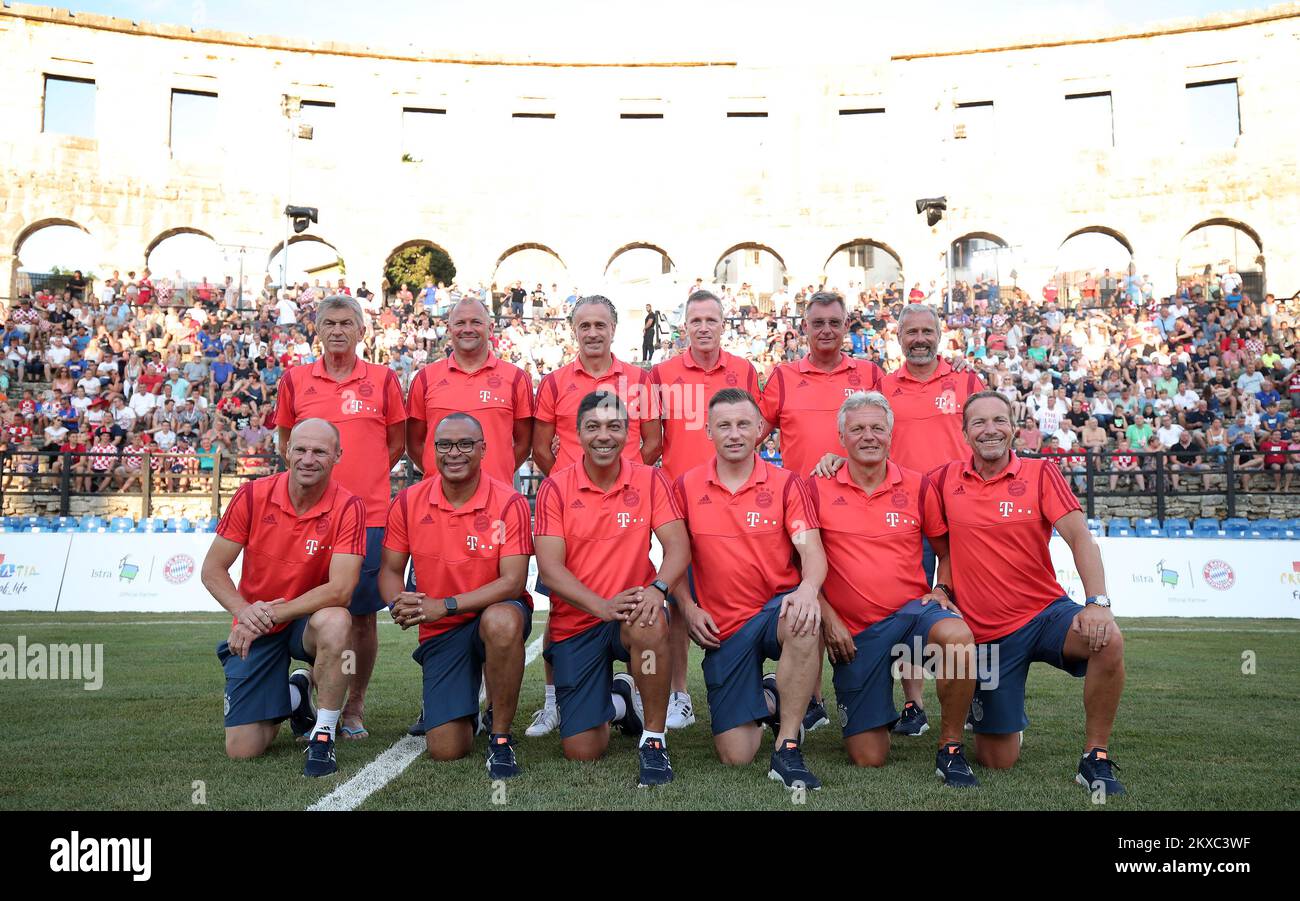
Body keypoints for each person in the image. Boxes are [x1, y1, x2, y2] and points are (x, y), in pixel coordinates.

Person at [925, 392, 1127, 797]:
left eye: (999, 420)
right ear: (964, 432)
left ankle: (1095, 758)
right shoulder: (942, 480)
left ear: (1014, 428)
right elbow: (945, 549)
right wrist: (942, 587)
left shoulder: (1041, 472)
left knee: (1107, 639)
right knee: (998, 759)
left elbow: (1080, 539)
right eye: (978, 423)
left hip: (1044, 614)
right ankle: (997, 718)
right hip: (988, 633)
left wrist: (1098, 603)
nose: (990, 430)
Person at [812, 303, 981, 736]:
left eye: (928, 331)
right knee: (902, 606)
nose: (920, 339)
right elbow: (860, 425)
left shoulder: (965, 379)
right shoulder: (882, 384)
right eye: (912, 332)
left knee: (958, 608)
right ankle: (912, 702)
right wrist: (836, 456)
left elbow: (983, 430)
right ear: (900, 337)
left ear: (941, 335)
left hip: (961, 512)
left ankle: (976, 697)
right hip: (903, 509)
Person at [811, 391, 978, 785]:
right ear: (842, 437)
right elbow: (800, 566)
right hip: (855, 634)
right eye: (858, 429)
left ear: (891, 434)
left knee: (956, 634)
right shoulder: (816, 487)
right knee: (868, 757)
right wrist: (829, 618)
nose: (868, 436)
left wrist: (944, 589)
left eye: (877, 428)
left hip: (910, 618)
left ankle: (951, 748)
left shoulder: (919, 486)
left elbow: (946, 550)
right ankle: (875, 708)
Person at [673, 388, 828, 789]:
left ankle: (788, 747)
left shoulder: (785, 484)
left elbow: (811, 551)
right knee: (736, 755)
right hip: (724, 631)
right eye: (724, 425)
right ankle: (773, 694)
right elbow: (672, 561)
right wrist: (688, 607)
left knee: (803, 618)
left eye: (743, 424)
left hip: (775, 613)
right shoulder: (687, 486)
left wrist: (809, 589)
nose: (734, 433)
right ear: (708, 430)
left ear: (761, 428)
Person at [533, 391, 689, 787]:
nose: (604, 435)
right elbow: (550, 570)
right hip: (579, 622)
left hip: (632, 614)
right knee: (583, 750)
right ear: (577, 433)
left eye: (614, 426)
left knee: (651, 624)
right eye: (594, 427)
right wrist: (601, 606)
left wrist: (657, 589)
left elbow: (678, 547)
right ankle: (621, 702)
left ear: (628, 433)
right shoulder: (556, 487)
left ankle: (654, 741)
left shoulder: (650, 479)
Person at [273, 295, 407, 740]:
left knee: (363, 617)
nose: (337, 330)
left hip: (367, 516)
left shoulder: (384, 379)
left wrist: (359, 483)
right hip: (307, 519)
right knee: (311, 610)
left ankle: (353, 707)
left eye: (346, 323)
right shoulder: (294, 380)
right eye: (328, 323)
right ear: (317, 330)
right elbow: (286, 443)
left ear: (362, 331)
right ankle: (307, 687)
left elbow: (395, 445)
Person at [201, 418, 365, 777]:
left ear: (337, 455)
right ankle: (295, 696)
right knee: (243, 749)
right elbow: (212, 570)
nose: (309, 458)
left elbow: (341, 589)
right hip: (257, 622)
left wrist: (273, 614)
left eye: (320, 451)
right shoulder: (252, 495)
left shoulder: (349, 506)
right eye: (301, 449)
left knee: (338, 619)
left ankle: (322, 735)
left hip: (303, 621)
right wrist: (245, 613)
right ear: (286, 452)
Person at [529, 296, 662, 737]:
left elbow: (652, 440)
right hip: (569, 511)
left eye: (600, 324)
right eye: (584, 325)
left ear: (614, 328)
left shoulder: (640, 380)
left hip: (622, 506)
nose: (592, 332)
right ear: (572, 330)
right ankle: (552, 702)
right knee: (559, 603)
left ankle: (641, 696)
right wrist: (566, 489)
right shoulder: (553, 382)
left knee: (639, 605)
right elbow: (539, 447)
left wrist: (624, 483)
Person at [379, 413, 534, 778]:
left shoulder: (508, 502)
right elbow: (389, 570)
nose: (455, 453)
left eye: (465, 444)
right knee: (446, 749)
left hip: (488, 614)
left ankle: (500, 737)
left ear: (483, 449)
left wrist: (444, 605)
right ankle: (466, 712)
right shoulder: (408, 501)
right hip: (442, 629)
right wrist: (396, 601)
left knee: (501, 621)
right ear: (432, 451)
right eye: (445, 445)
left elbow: (513, 582)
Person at [650, 289, 760, 730]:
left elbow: (757, 428)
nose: (703, 327)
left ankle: (748, 683)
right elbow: (651, 436)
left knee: (746, 593)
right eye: (695, 320)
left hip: (734, 499)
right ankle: (679, 694)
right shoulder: (661, 373)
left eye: (711, 320)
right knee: (679, 600)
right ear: (685, 327)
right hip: (681, 501)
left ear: (723, 324)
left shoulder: (744, 370)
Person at [406, 297, 533, 485]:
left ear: (490, 329)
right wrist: (443, 475)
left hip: (496, 501)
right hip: (437, 501)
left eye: (476, 322)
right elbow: (414, 444)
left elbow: (524, 443)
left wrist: (497, 471)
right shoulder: (425, 378)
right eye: (460, 323)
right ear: (449, 330)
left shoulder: (516, 378)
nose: (467, 329)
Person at [760, 292, 883, 480]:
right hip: (801, 501)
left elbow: (892, 439)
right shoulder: (783, 378)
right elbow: (750, 437)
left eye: (834, 323)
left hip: (860, 500)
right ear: (804, 327)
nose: (826, 330)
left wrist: (852, 463)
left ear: (846, 325)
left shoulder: (871, 374)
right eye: (818, 323)